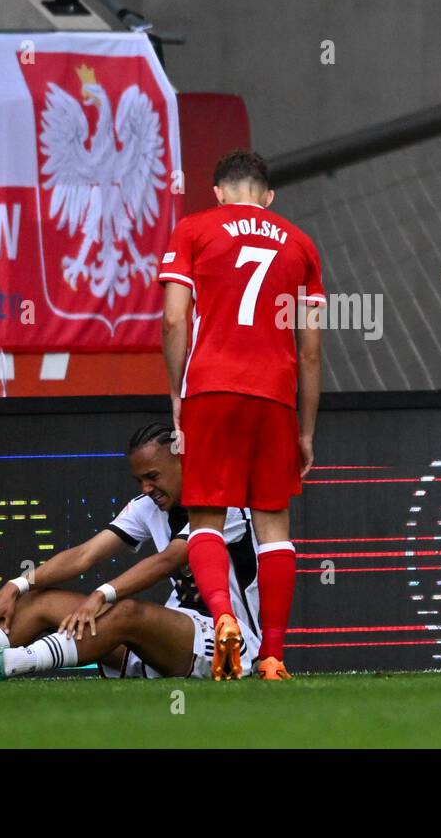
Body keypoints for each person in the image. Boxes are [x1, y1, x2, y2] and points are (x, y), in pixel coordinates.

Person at [0, 423, 261, 682]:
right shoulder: (148, 507)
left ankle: (7, 664)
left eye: (153, 477)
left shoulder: (222, 505)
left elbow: (168, 560)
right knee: (40, 601)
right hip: (167, 649)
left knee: (125, 611)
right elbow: (84, 555)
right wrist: (16, 584)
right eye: (139, 479)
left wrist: (100, 595)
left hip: (233, 651)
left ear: (182, 460)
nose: (145, 488)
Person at [158, 149, 324, 679]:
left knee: (206, 518)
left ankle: (225, 620)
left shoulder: (194, 229)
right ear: (268, 196)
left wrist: (177, 397)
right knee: (274, 528)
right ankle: (272, 655)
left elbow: (172, 320)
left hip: (211, 389)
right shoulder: (300, 244)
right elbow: (312, 351)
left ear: (219, 192)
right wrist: (306, 431)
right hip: (275, 397)